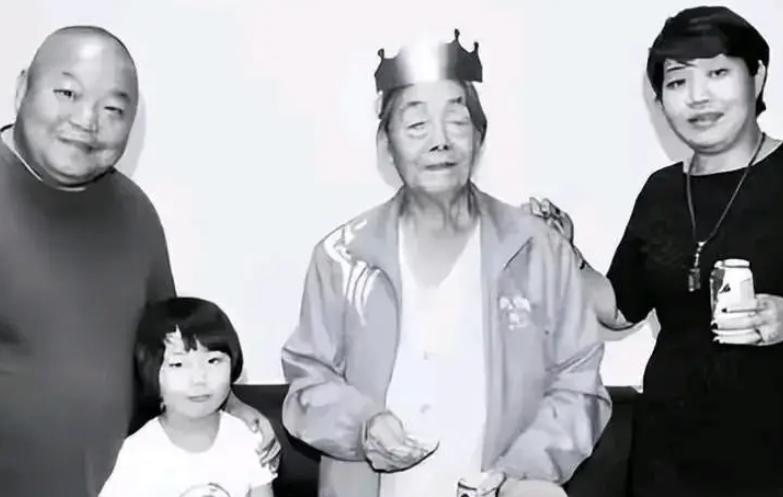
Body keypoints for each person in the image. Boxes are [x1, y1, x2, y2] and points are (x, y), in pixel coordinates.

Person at [281, 30, 611, 497]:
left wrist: (521, 471)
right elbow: (307, 382)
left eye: (456, 120)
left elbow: (580, 385)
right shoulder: (341, 256)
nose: (440, 141)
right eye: (416, 125)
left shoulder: (538, 250)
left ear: (479, 136)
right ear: (387, 146)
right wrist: (363, 426)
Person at [531, 6, 783, 496]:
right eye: (677, 81)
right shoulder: (662, 191)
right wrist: (565, 253)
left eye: (717, 73)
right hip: (669, 462)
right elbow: (619, 310)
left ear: (757, 76)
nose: (697, 96)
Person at [0, 26, 278, 497]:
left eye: (113, 109)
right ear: (22, 87)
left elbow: (168, 339)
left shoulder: (134, 211)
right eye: (67, 93)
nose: (87, 120)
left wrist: (229, 404)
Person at [100, 297, 277, 497]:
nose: (199, 379)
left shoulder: (247, 437)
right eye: (178, 364)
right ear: (150, 371)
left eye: (213, 360)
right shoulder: (139, 453)